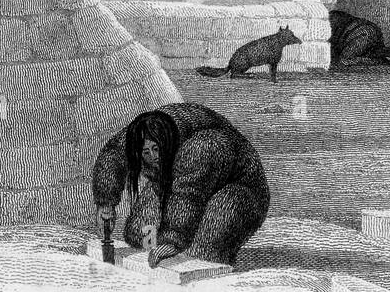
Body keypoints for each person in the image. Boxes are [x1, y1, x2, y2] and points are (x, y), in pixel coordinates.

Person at [92, 103, 270, 267]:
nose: (152, 157)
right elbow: (114, 154)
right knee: (141, 235)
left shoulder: (200, 147)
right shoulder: (143, 130)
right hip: (183, 185)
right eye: (145, 152)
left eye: (156, 149)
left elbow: (187, 194)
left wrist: (172, 240)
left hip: (238, 192)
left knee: (202, 250)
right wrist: (105, 201)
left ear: (165, 143)